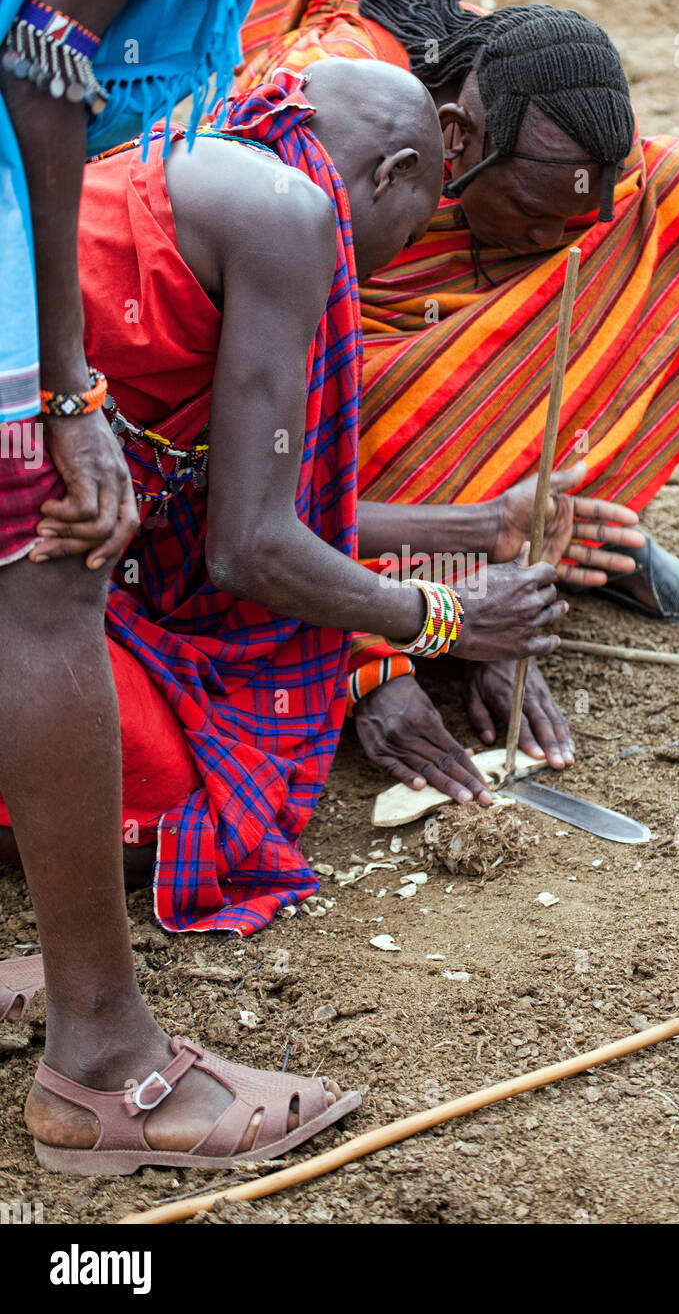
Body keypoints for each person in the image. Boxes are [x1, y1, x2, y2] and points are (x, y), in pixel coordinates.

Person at [0, 56, 587, 1171]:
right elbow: (250, 546)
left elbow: (239, 489)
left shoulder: (206, 157)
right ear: (402, 171)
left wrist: (477, 528)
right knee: (160, 781)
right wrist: (448, 622)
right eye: (415, 227)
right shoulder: (291, 215)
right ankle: (103, 1064)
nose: (394, 264)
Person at [234, 0, 679, 804]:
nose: (551, 241)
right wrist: (376, 663)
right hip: (330, 347)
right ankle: (379, 603)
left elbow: (586, 208)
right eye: (535, 216)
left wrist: (515, 614)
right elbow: (255, 421)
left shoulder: (549, 85)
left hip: (454, 277)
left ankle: (561, 531)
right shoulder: (323, 123)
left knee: (668, 193)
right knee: (394, 388)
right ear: (455, 137)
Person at [0, 0, 372, 1177]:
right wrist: (67, 394)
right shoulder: (276, 208)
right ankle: (106, 1067)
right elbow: (44, 57)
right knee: (44, 584)